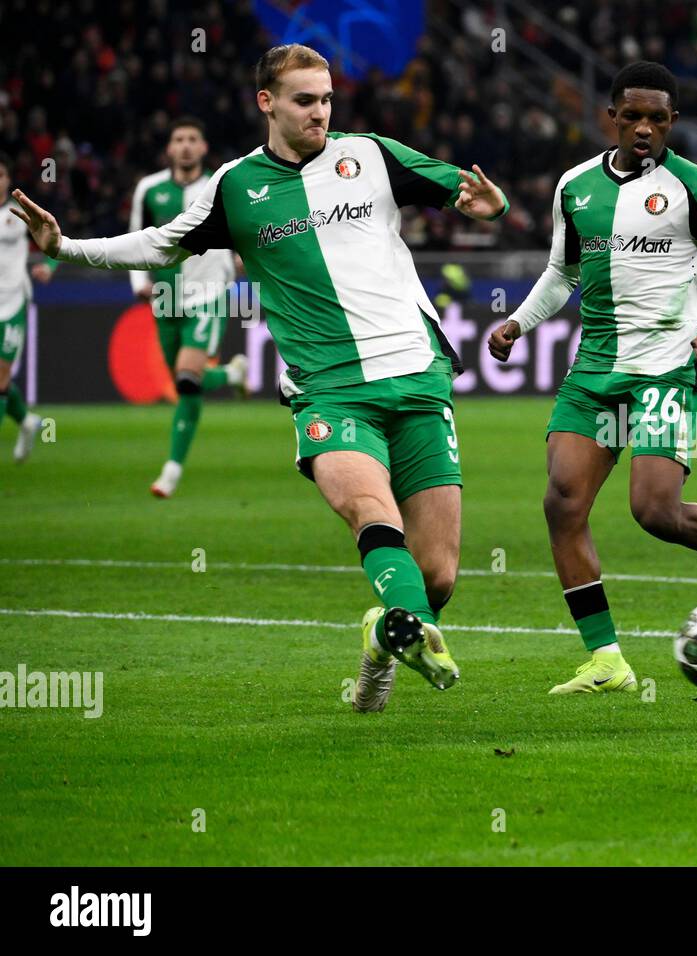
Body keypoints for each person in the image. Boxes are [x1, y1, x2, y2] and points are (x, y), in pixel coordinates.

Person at [10, 44, 510, 713]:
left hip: (417, 376)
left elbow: (465, 191)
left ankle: (384, 634)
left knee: (438, 575)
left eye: (328, 99)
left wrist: (490, 205)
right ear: (266, 103)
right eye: (306, 100)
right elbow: (159, 243)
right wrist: (67, 247)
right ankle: (413, 633)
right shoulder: (236, 188)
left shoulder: (372, 155)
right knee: (370, 508)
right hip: (329, 388)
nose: (321, 113)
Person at [489, 62, 697, 695]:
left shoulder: (696, 187)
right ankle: (606, 660)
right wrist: (517, 323)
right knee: (562, 503)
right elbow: (561, 274)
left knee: (654, 510)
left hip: (670, 368)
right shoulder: (575, 186)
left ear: (671, 122)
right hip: (595, 368)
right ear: (611, 118)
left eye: (657, 118)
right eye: (633, 116)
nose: (644, 128)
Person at [128, 117, 246, 497]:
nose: (185, 146)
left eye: (193, 139)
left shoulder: (222, 184)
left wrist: (242, 257)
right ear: (169, 148)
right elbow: (136, 237)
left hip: (210, 292)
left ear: (204, 147)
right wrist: (139, 282)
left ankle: (171, 470)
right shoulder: (149, 189)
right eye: (179, 139)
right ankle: (231, 375)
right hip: (165, 295)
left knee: (186, 377)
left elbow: (242, 227)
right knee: (187, 387)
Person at [0, 152, 53, 462]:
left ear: (8, 180)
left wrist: (49, 266)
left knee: (1, 376)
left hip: (12, 301)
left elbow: (54, 237)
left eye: (1, 175)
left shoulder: (20, 212)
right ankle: (28, 422)